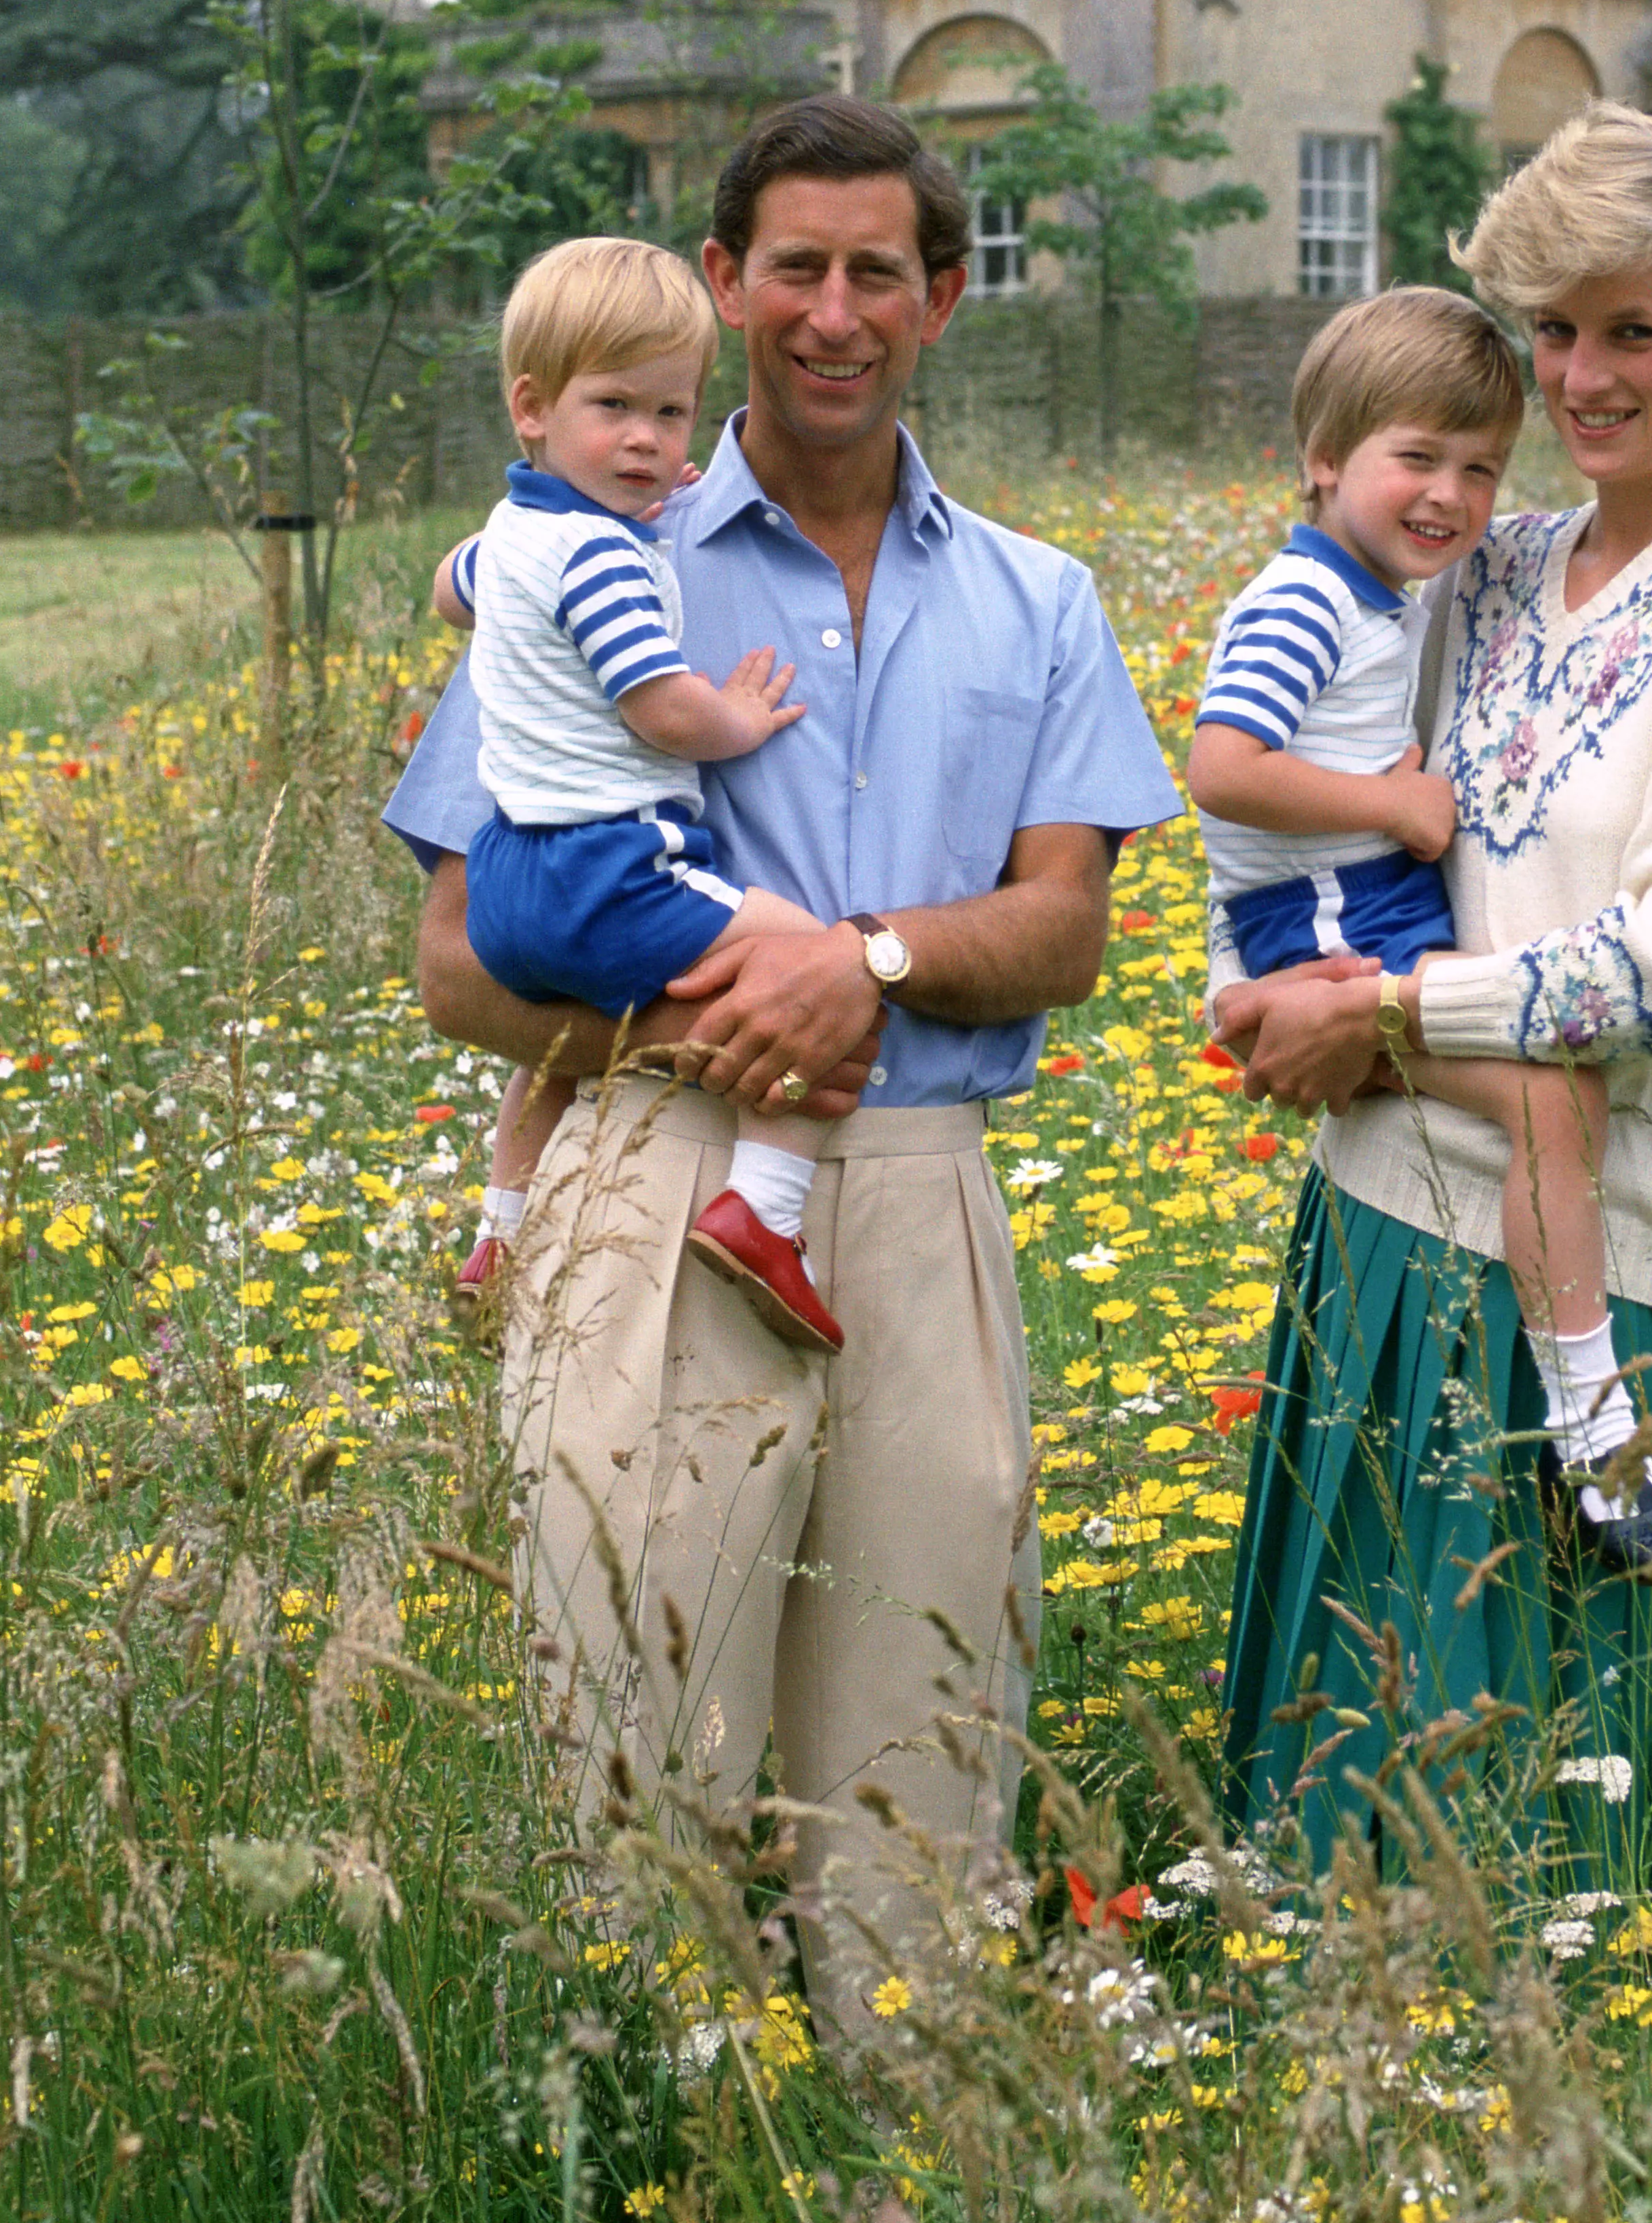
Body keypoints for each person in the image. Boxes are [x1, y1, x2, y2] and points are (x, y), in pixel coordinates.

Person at [382, 99, 1179, 2031]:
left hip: (913, 1200)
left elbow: (1062, 925)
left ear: (945, 297)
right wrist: (708, 1020)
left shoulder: (1036, 598)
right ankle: (659, 2219)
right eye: (794, 269)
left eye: (878, 273)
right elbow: (454, 956)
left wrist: (868, 960)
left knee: (926, 1749)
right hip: (656, 1172)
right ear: (726, 283)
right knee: (633, 1740)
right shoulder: (584, 553)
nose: (834, 313)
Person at [1214, 102, 1652, 1906]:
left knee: (1555, 1852)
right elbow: (1298, 757)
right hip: (1370, 1229)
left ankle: (1574, 2139)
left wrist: (1380, 1013)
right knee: (1348, 1805)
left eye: (1631, 332)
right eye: (1554, 330)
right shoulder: (1487, 564)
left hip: (1584, 1284)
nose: (1578, 376)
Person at [1189, 289, 1652, 1570]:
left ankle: (1591, 1436)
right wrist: (1397, 804)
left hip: (1366, 916)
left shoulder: (1378, 595)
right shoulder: (1304, 601)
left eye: (1480, 468)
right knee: (1548, 1103)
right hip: (1339, 927)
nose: (1452, 497)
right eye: (1416, 458)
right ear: (1322, 459)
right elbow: (1222, 768)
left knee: (1555, 1097)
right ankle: (1599, 1451)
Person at [434, 233, 841, 1355]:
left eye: (671, 415)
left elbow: (448, 590)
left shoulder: (515, 533)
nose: (647, 442)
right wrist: (741, 718)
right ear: (531, 406)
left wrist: (625, 514)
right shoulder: (603, 560)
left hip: (511, 880)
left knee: (552, 1058)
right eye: (615, 408)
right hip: (614, 863)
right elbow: (659, 708)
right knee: (816, 970)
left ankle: (501, 1231)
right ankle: (766, 1213)